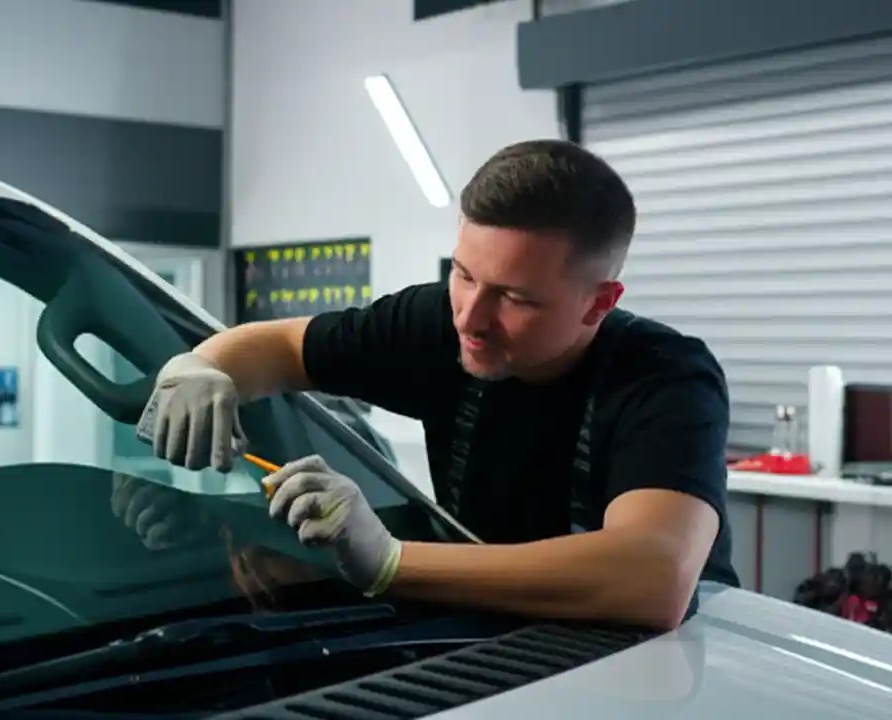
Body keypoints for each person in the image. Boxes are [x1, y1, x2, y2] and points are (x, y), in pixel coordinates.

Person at [140, 139, 738, 631]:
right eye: (464, 273)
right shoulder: (436, 325)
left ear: (598, 303)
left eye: (515, 298)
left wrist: (390, 561)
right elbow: (278, 346)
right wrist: (199, 366)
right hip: (495, 635)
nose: (470, 317)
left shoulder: (666, 378)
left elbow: (650, 579)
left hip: (671, 669)